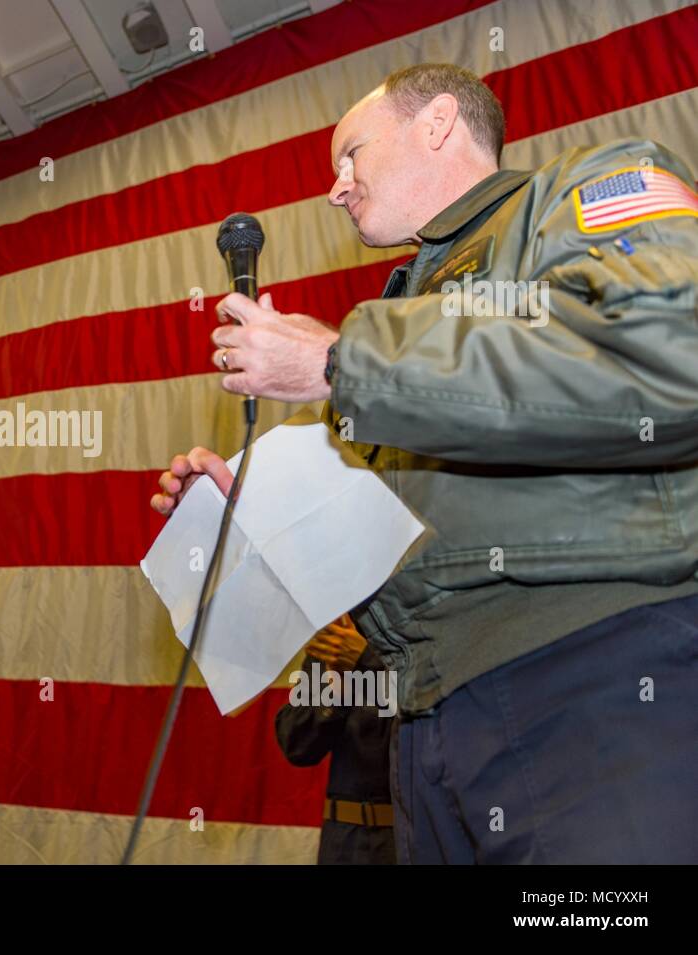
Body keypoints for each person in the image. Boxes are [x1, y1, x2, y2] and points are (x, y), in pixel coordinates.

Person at [152, 64, 698, 863]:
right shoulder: (402, 316)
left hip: (592, 674)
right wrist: (250, 513)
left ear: (437, 122)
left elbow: (670, 354)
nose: (336, 189)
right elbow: (399, 541)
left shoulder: (588, 188)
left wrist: (344, 360)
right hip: (424, 728)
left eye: (351, 155)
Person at [275, 614, 394, 865]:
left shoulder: (424, 628)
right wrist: (336, 695)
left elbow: (432, 710)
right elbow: (296, 745)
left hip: (408, 835)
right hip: (343, 840)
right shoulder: (338, 638)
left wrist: (366, 661)